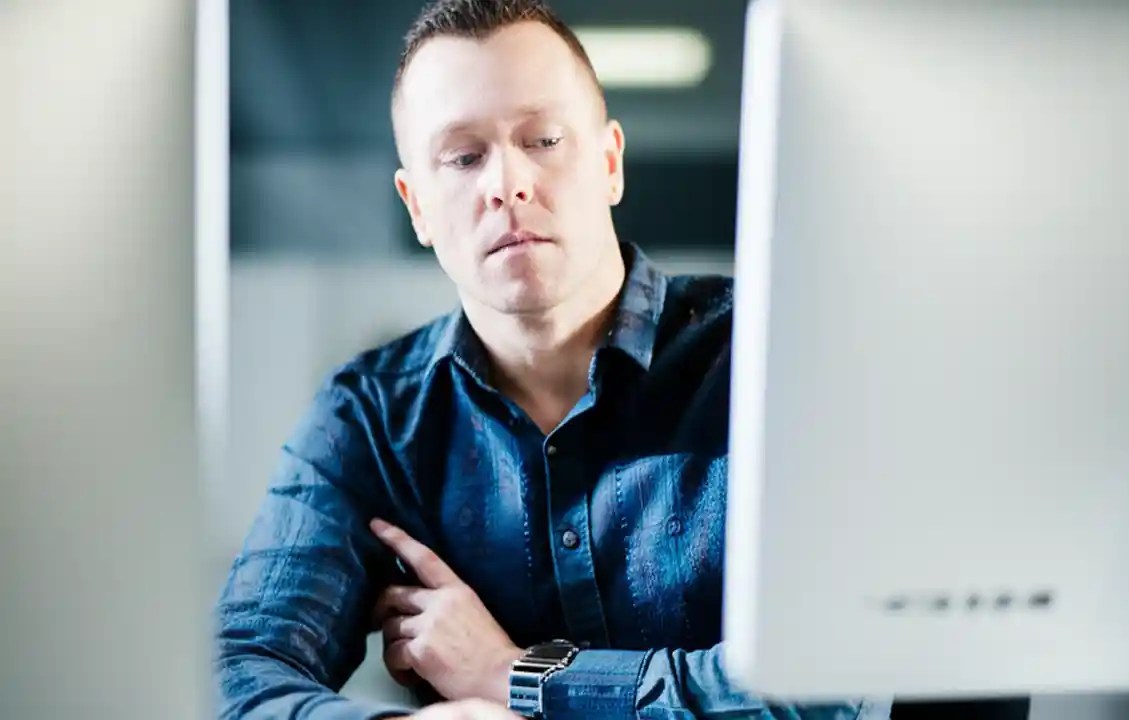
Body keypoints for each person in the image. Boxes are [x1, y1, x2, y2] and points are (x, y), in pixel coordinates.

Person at [215, 1, 892, 718]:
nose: (506, 183)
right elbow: (241, 671)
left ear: (608, 164)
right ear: (417, 207)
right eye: (463, 156)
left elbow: (811, 680)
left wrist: (516, 677)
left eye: (542, 139)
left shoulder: (771, 357)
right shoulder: (370, 417)